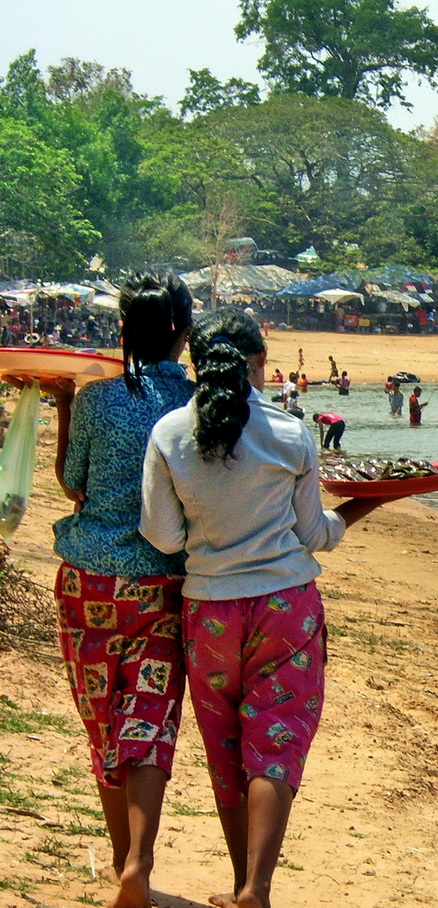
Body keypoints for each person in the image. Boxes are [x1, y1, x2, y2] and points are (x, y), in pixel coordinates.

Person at [140, 309, 394, 908]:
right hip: (286, 612)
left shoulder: (170, 433)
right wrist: (370, 502)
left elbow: (164, 537)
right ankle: (256, 889)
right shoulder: (288, 433)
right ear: (259, 363)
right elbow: (314, 534)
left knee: (227, 751)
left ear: (195, 365)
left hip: (209, 613)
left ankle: (238, 884)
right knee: (273, 747)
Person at [46, 273, 195, 908]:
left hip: (90, 583)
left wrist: (63, 408)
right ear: (184, 334)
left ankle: (119, 862)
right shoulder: (197, 404)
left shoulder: (99, 401)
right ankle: (137, 860)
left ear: (122, 332)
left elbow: (72, 484)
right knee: (150, 720)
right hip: (164, 585)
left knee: (103, 719)